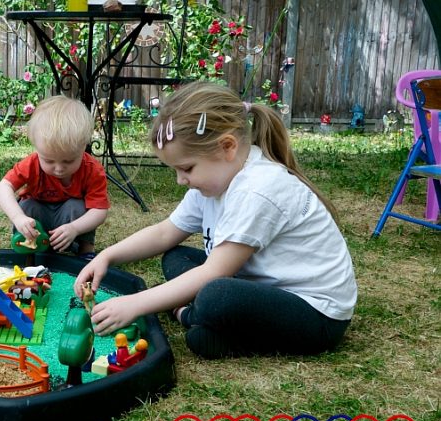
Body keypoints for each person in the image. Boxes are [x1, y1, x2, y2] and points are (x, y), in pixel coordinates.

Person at [73, 82, 357, 359]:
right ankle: (202, 317)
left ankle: (193, 314)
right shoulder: (215, 181)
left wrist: (136, 304)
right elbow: (164, 234)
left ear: (227, 147)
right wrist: (107, 257)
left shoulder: (257, 189)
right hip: (259, 288)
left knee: (214, 295)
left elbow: (214, 273)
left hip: (317, 315)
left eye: (186, 168)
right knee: (176, 257)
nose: (180, 180)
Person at [0, 95, 110, 258]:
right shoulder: (32, 163)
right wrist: (18, 217)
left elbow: (99, 210)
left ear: (84, 146)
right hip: (38, 220)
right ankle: (28, 244)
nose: (59, 168)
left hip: (69, 224)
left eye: (68, 160)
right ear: (36, 148)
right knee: (27, 206)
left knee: (77, 207)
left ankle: (85, 250)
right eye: (48, 160)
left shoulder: (92, 169)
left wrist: (74, 228)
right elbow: (3, 188)